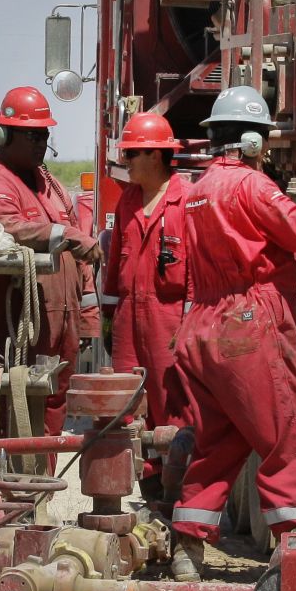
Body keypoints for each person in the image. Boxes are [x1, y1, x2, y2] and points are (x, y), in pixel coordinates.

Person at [168, 85, 296, 582]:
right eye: (266, 141)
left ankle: (186, 547)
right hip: (248, 326)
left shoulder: (197, 190)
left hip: (203, 329)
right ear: (252, 140)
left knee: (220, 443)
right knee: (291, 440)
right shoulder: (250, 185)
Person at [0, 86, 104, 435]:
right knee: (17, 403)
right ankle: (14, 485)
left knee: (52, 403)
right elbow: (6, 227)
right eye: (32, 135)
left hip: (57, 323)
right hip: (15, 330)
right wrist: (64, 236)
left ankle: (38, 486)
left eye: (45, 135)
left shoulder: (48, 185)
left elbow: (79, 257)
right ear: (3, 136)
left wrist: (87, 320)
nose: (41, 142)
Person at [99, 111, 194, 514]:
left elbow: (197, 275)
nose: (127, 162)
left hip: (169, 323)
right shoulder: (128, 201)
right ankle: (151, 495)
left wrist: (190, 327)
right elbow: (114, 267)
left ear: (156, 156)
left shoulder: (186, 200)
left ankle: (178, 497)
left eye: (133, 155)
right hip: (129, 322)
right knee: (128, 409)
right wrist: (107, 318)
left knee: (173, 408)